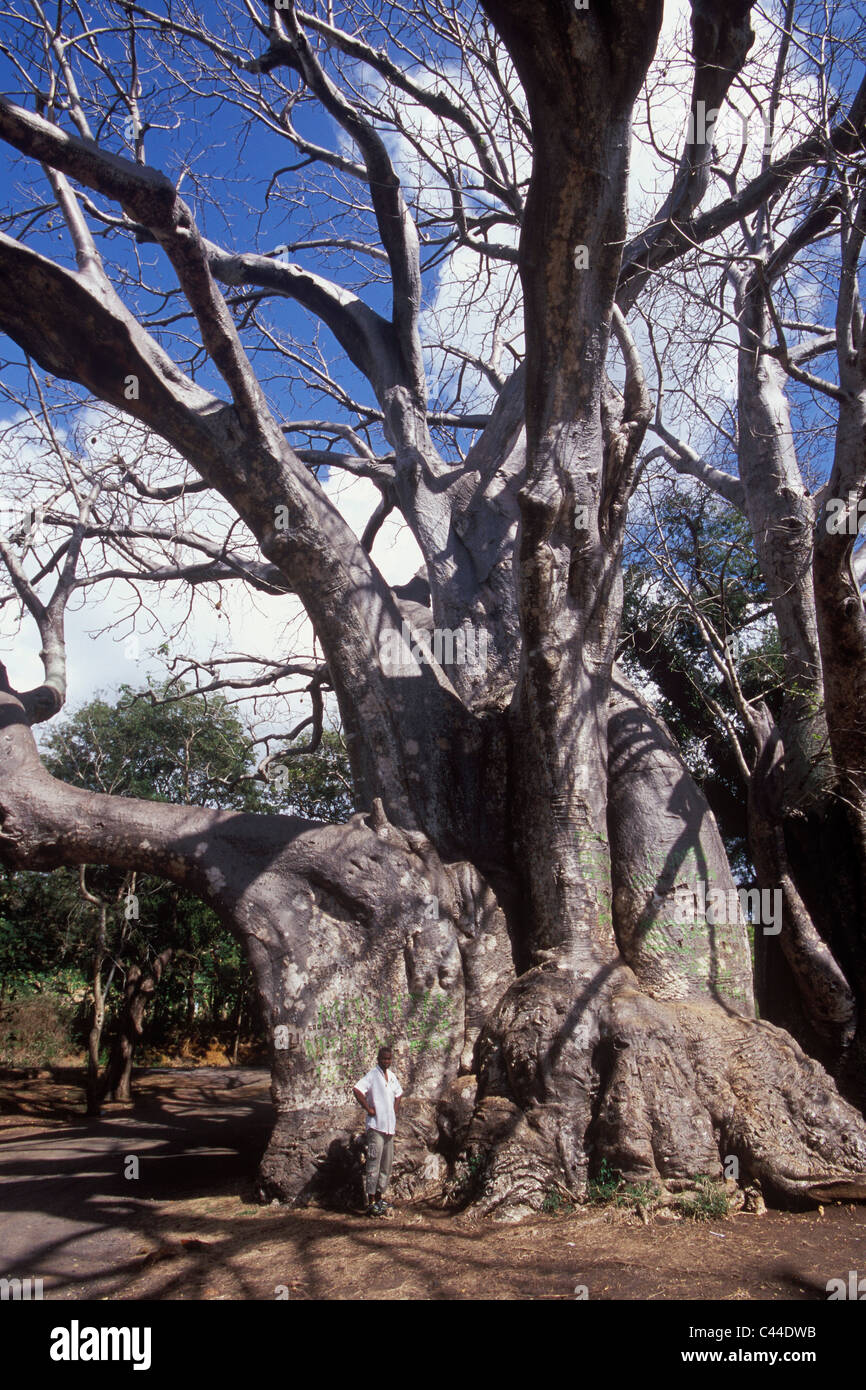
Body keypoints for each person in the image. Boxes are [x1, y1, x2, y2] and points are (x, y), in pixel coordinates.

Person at [353, 1045, 403, 1216]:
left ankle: (380, 1197)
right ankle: (371, 1200)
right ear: (378, 1059)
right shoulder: (373, 1075)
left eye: (389, 1058)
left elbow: (399, 1094)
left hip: (389, 1127)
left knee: (386, 1164)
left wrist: (395, 1110)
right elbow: (357, 1089)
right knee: (374, 1162)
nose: (386, 1061)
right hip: (376, 1126)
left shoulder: (393, 1076)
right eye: (383, 1058)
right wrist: (368, 1108)